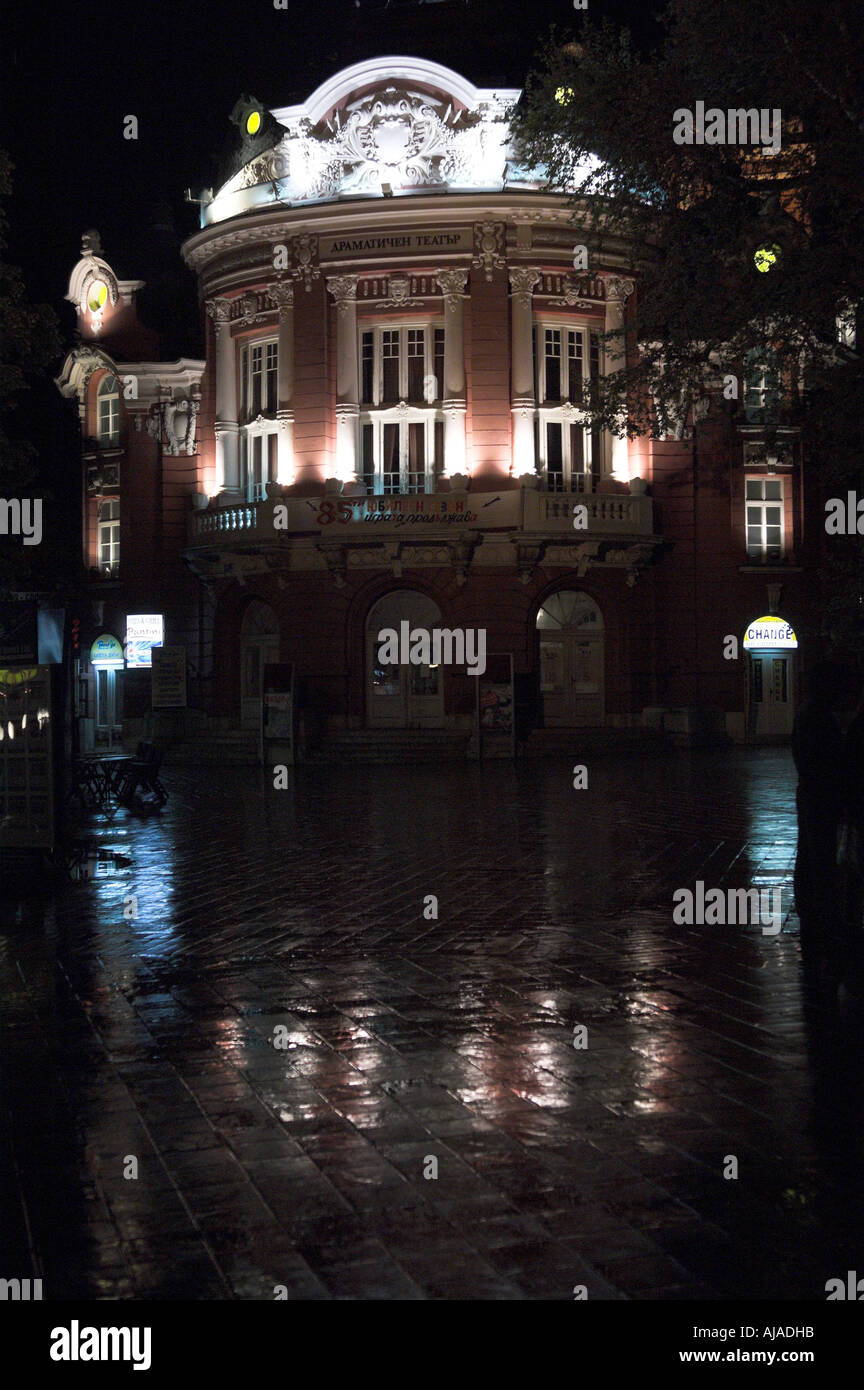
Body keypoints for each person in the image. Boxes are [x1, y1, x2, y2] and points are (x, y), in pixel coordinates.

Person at [792, 662, 845, 990]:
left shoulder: (808, 713)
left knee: (810, 854)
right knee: (818, 856)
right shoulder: (819, 717)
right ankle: (819, 912)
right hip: (819, 795)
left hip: (811, 793)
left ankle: (811, 911)